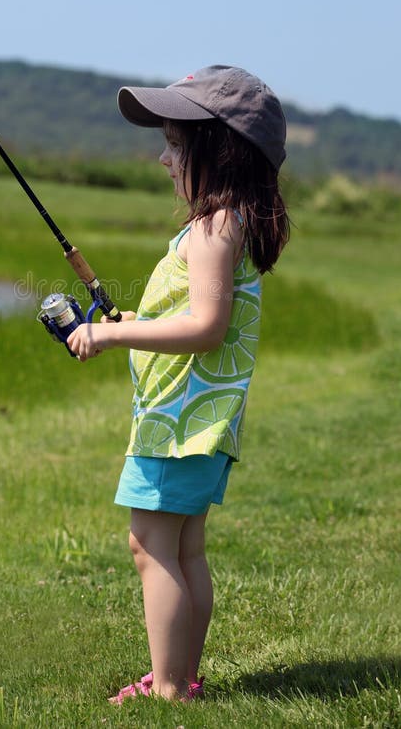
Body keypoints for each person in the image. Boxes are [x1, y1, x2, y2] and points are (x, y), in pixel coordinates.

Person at [67, 65, 290, 703]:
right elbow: (191, 317)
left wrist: (112, 336)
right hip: (196, 424)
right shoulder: (225, 223)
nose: (165, 159)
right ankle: (182, 679)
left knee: (151, 548)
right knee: (185, 548)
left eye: (174, 144)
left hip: (179, 427)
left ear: (215, 151)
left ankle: (166, 687)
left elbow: (207, 328)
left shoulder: (217, 227)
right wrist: (136, 321)